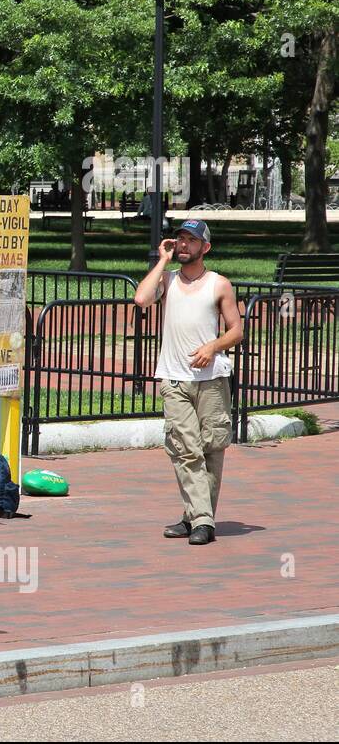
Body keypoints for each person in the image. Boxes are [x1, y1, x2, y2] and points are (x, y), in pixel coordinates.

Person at [133, 220, 242, 545]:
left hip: (211, 380)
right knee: (185, 450)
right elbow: (141, 299)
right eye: (180, 239)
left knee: (211, 449)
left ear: (204, 248)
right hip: (174, 378)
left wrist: (212, 346)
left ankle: (193, 516)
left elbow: (236, 331)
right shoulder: (167, 280)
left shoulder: (218, 284)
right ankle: (204, 522)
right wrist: (162, 259)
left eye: (190, 240)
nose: (183, 245)